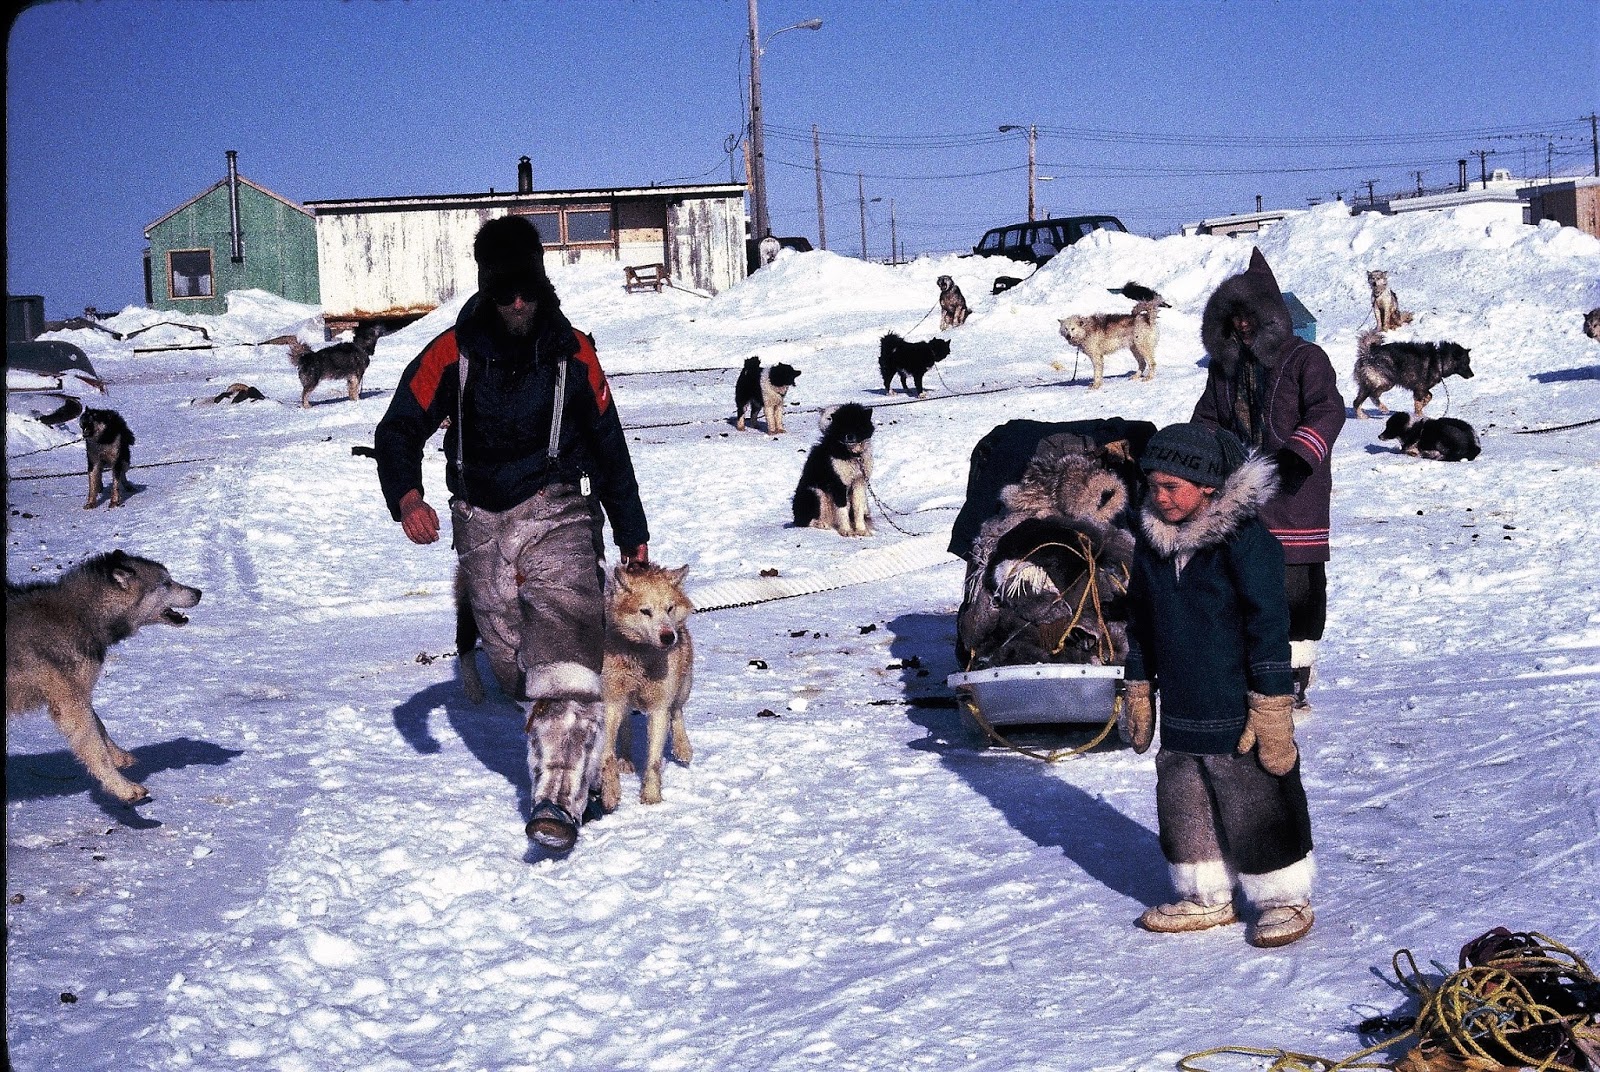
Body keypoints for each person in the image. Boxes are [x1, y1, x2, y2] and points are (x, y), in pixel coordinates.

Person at [374, 215, 650, 854]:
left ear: (542, 283)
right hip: (480, 525)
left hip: (559, 512)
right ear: (487, 290)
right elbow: (399, 429)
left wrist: (633, 533)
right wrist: (407, 497)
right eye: (505, 292)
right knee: (512, 667)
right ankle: (574, 735)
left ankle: (557, 798)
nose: (518, 302)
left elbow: (609, 446)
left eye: (527, 288)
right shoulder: (453, 351)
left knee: (564, 663)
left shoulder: (574, 351)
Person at [1119, 422, 1315, 948]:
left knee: (1253, 794)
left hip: (1237, 704)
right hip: (1183, 706)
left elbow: (1268, 626)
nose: (1159, 497)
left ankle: (1282, 895)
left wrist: (1273, 703)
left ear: (1208, 486)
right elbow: (1140, 622)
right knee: (1184, 797)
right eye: (1152, 485)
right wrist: (1138, 685)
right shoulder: (1151, 544)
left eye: (1171, 487)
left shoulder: (1245, 544)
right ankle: (1207, 893)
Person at [1191, 249, 1345, 712]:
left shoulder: (1306, 358)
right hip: (1240, 490)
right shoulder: (1224, 368)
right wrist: (1194, 454)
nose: (1242, 326)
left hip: (1295, 490)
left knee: (1294, 585)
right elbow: (1208, 418)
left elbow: (1327, 409)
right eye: (1234, 317)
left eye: (1250, 315)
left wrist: (1300, 455)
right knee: (1242, 581)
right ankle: (1251, 668)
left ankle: (1294, 674)